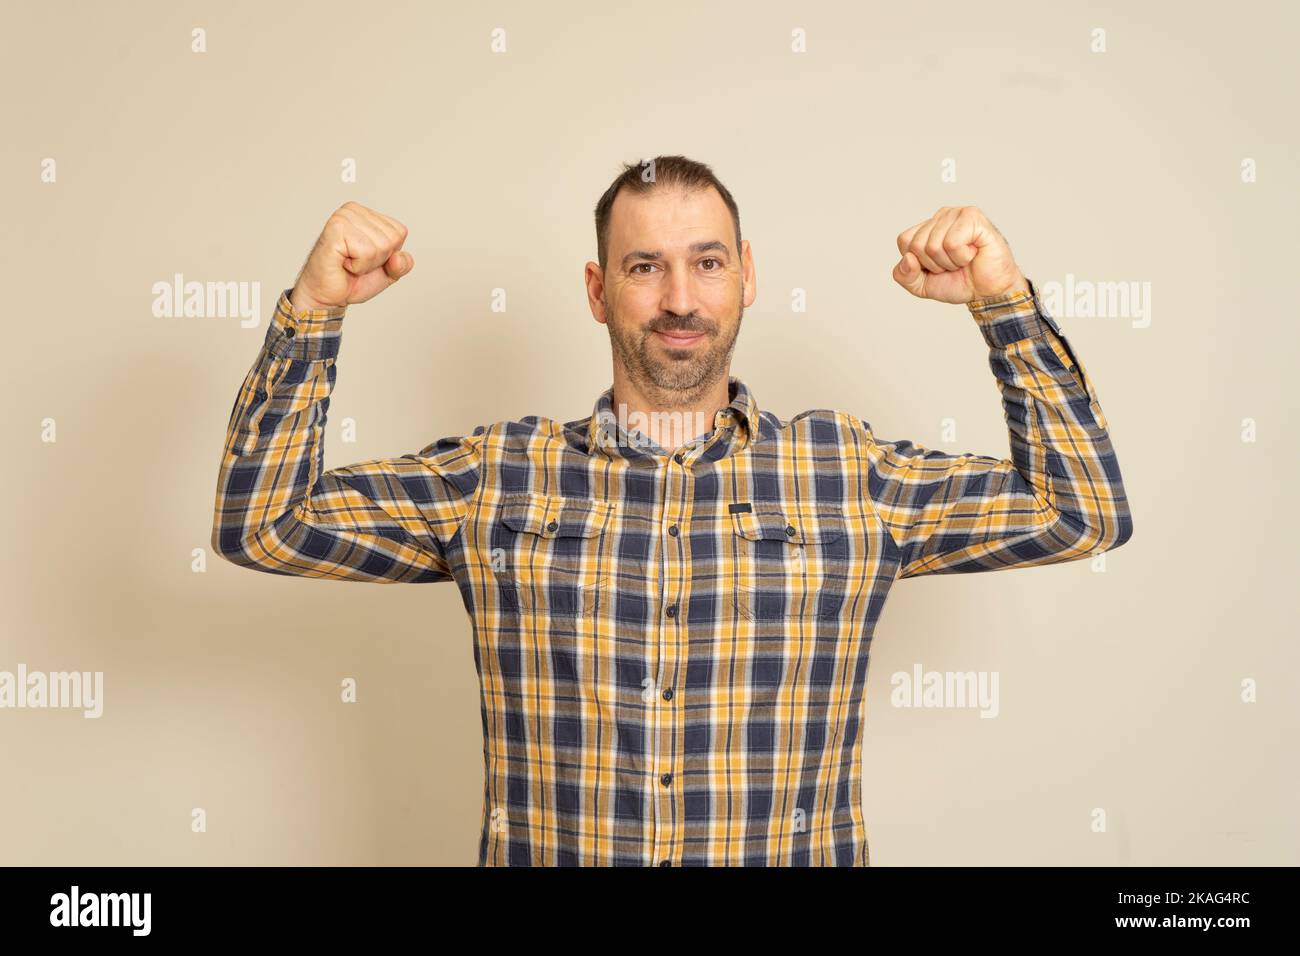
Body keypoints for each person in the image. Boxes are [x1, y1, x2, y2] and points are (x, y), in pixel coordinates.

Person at [210, 155, 1133, 866]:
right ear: (597, 289)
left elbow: (1082, 510)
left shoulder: (850, 473)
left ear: (748, 277)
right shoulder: (496, 475)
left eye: (708, 262)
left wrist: (1003, 305)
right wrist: (315, 311)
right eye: (645, 266)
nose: (681, 299)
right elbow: (265, 525)